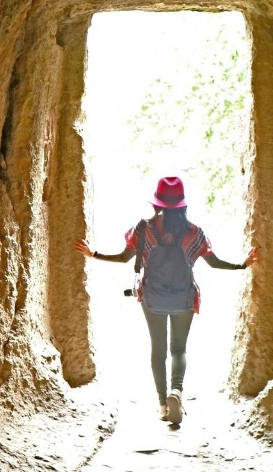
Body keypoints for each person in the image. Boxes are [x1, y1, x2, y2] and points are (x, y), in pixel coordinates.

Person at [73, 176, 258, 425]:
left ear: (156, 203)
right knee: (179, 349)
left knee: (157, 350)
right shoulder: (194, 233)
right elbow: (214, 262)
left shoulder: (144, 230)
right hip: (184, 299)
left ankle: (162, 405)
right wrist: (242, 265)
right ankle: (176, 392)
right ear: (183, 204)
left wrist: (94, 254)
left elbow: (124, 257)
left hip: (152, 298)